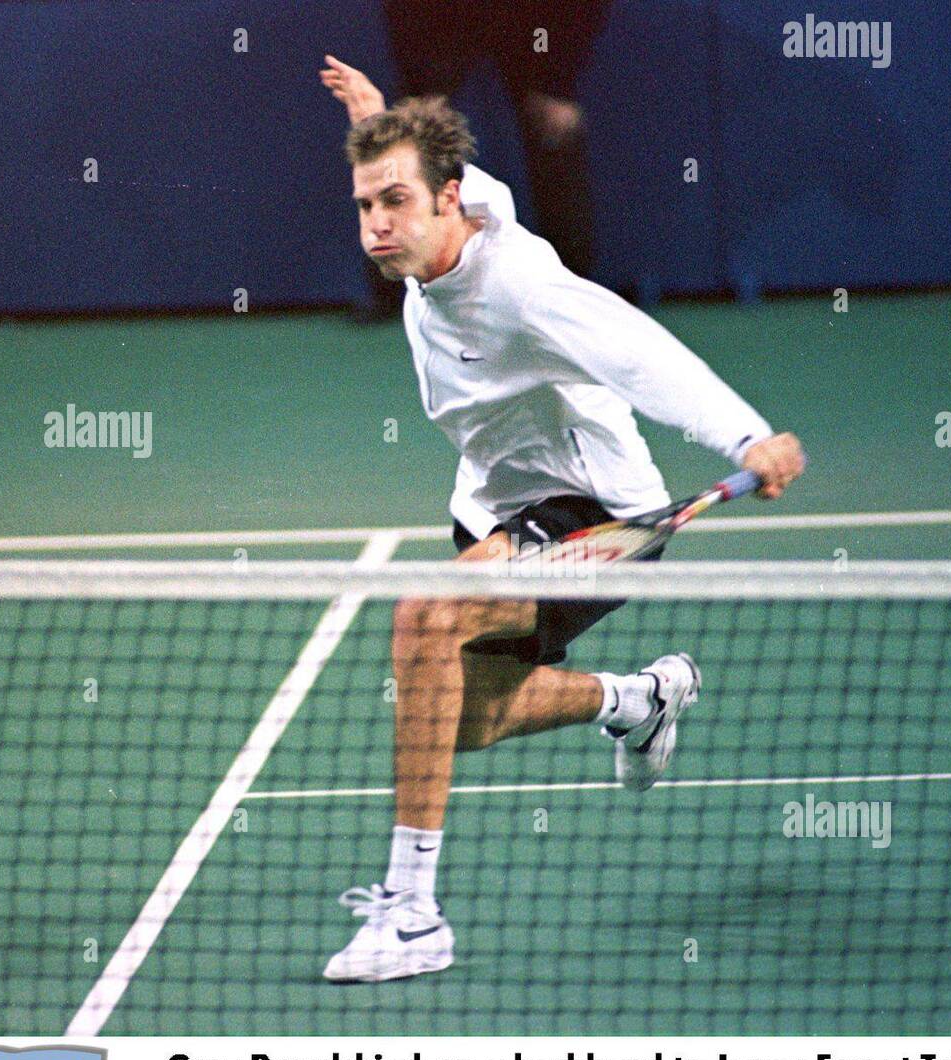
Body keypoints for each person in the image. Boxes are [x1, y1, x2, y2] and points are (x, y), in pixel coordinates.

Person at [319, 66, 805, 982]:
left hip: (600, 519)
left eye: (394, 202)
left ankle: (415, 918)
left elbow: (638, 352)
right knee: (462, 717)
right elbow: (417, 170)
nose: (375, 226)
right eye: (363, 206)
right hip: (500, 504)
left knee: (424, 617)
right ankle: (636, 700)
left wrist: (746, 433)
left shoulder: (521, 287)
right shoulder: (448, 226)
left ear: (449, 202)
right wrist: (379, 122)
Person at [328, 1, 610, 320]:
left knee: (554, 125)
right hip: (443, 17)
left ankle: (574, 294)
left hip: (534, 17)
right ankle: (395, 287)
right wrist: (418, 74)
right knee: (412, 135)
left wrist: (557, 81)